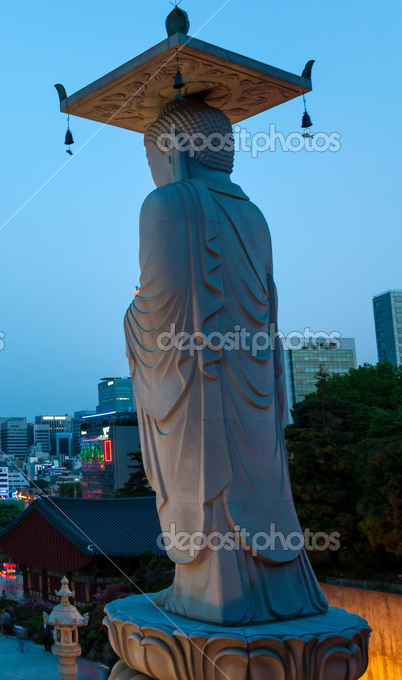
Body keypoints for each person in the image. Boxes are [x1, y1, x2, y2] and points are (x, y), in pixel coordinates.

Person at [130, 97, 329, 625]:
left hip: (202, 386)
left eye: (150, 156)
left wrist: (133, 316)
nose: (151, 170)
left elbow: (161, 317)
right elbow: (266, 318)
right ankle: (277, 589)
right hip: (255, 393)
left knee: (208, 484)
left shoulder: (166, 205)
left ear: (171, 150)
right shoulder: (254, 215)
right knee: (253, 485)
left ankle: (211, 594)